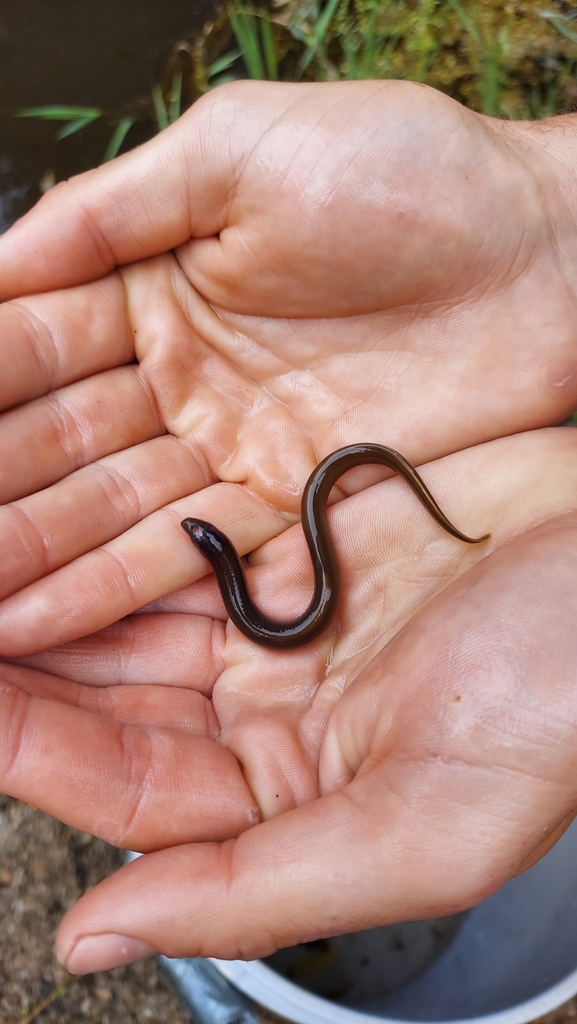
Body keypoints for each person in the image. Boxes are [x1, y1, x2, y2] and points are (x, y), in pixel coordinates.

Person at [0, 79, 577, 977]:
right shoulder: (232, 567)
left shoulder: (235, 565)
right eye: (211, 539)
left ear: (213, 550)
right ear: (215, 548)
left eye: (208, 540)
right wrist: (548, 205)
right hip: (297, 599)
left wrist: (546, 206)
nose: (207, 537)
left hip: (302, 591)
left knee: (310, 538)